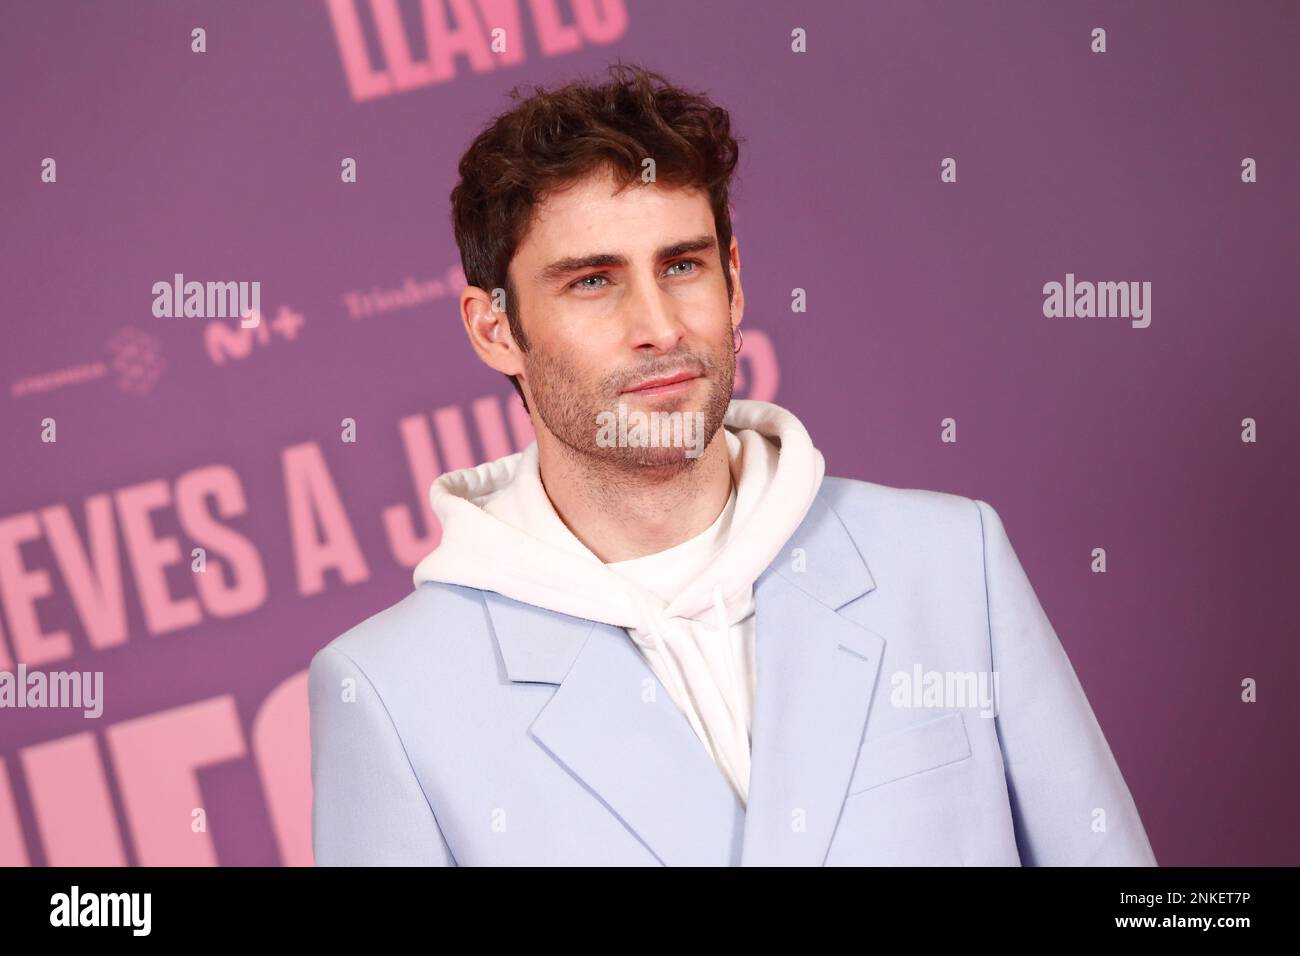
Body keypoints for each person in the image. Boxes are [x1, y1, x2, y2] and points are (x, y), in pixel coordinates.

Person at [309, 63, 1156, 867]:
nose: (660, 326)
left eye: (682, 266)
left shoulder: (949, 562)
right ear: (495, 329)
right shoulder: (391, 692)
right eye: (593, 282)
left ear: (736, 280)